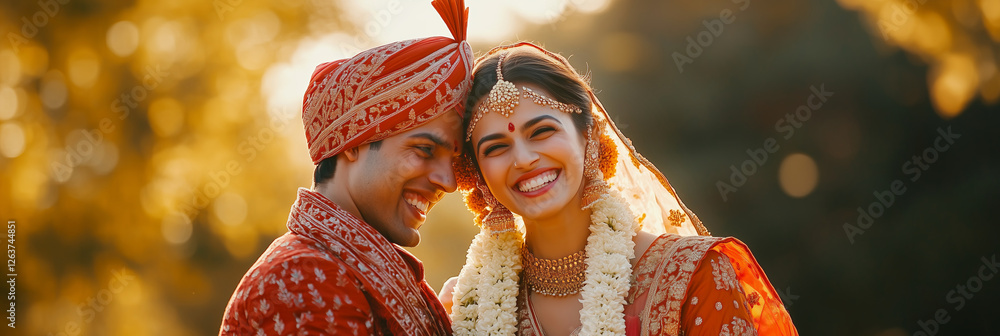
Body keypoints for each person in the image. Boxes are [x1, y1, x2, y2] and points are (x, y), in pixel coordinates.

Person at [440, 43, 798, 335]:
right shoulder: (471, 308)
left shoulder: (694, 276)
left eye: (542, 132)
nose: (523, 159)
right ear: (478, 174)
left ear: (589, 137)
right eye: (496, 147)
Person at [218, 0, 473, 334]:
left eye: (453, 160)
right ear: (351, 144)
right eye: (425, 150)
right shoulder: (306, 279)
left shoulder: (348, 266)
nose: (450, 182)